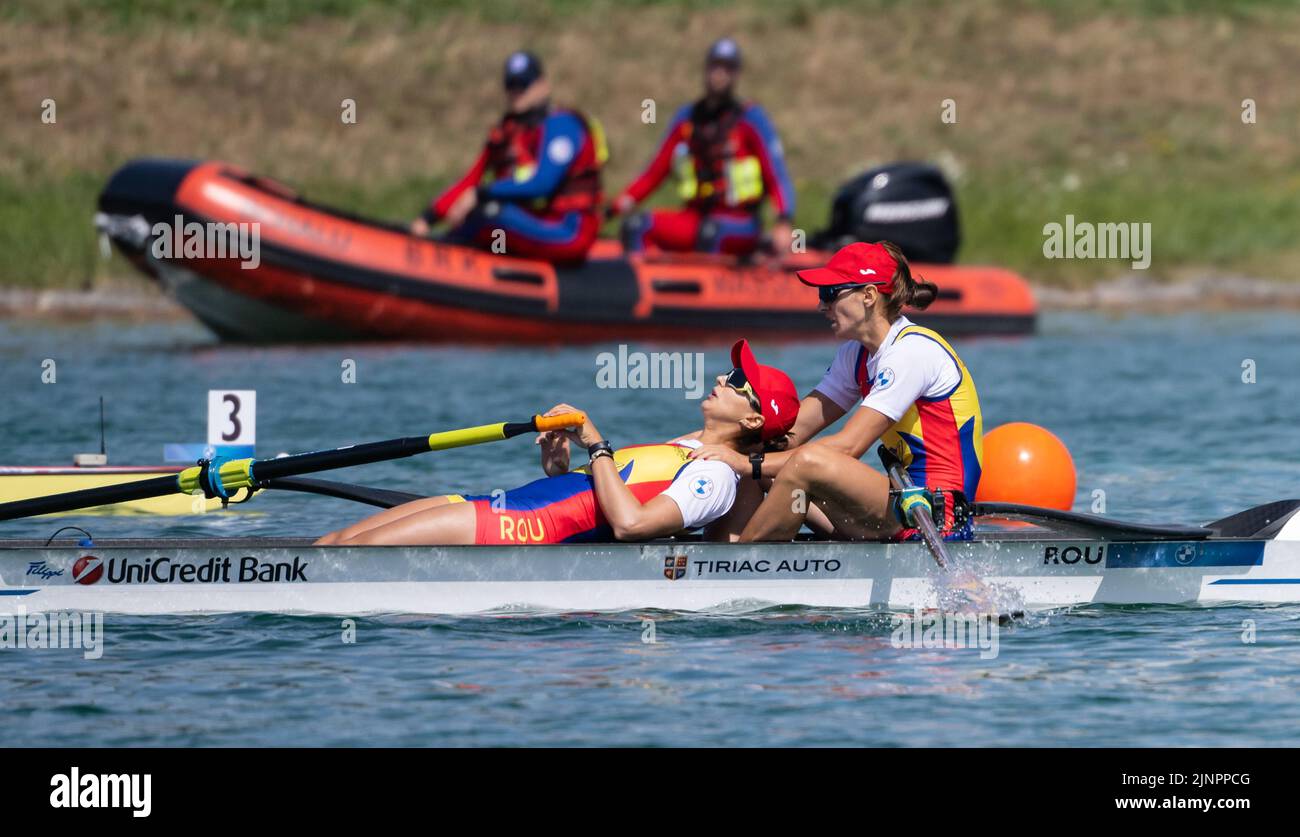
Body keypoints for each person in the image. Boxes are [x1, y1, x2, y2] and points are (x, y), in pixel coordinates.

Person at [315, 340, 798, 546]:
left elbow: (632, 525)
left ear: (754, 418)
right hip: (507, 505)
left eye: (737, 380)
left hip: (523, 528)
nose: (721, 375)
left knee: (347, 555)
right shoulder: (688, 447)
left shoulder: (715, 476)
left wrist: (597, 443)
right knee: (335, 542)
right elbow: (594, 496)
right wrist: (560, 460)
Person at [688, 241, 983, 542]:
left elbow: (848, 446)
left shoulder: (911, 352)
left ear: (868, 295)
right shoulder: (855, 355)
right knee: (764, 458)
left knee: (804, 462)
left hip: (934, 517)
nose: (821, 305)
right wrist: (714, 444)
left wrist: (745, 463)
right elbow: (791, 432)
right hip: (898, 503)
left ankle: (737, 565)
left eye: (830, 294)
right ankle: (721, 548)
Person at [410, 51, 607, 262]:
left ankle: (447, 258)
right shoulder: (507, 132)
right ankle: (440, 255)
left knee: (489, 211)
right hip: (528, 224)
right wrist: (427, 218)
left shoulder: (562, 125)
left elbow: (543, 183)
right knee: (482, 213)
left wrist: (483, 193)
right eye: (511, 85)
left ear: (543, 86)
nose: (516, 92)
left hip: (567, 230)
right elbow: (471, 180)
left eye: (523, 85)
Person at [606, 38, 796, 257]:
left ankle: (714, 288)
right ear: (706, 69)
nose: (719, 73)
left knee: (710, 232)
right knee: (636, 226)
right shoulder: (687, 119)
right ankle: (646, 286)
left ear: (736, 75)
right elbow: (653, 175)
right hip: (696, 216)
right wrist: (613, 209)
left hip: (740, 222)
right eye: (715, 66)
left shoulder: (751, 119)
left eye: (727, 68)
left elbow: (777, 175)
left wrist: (784, 219)